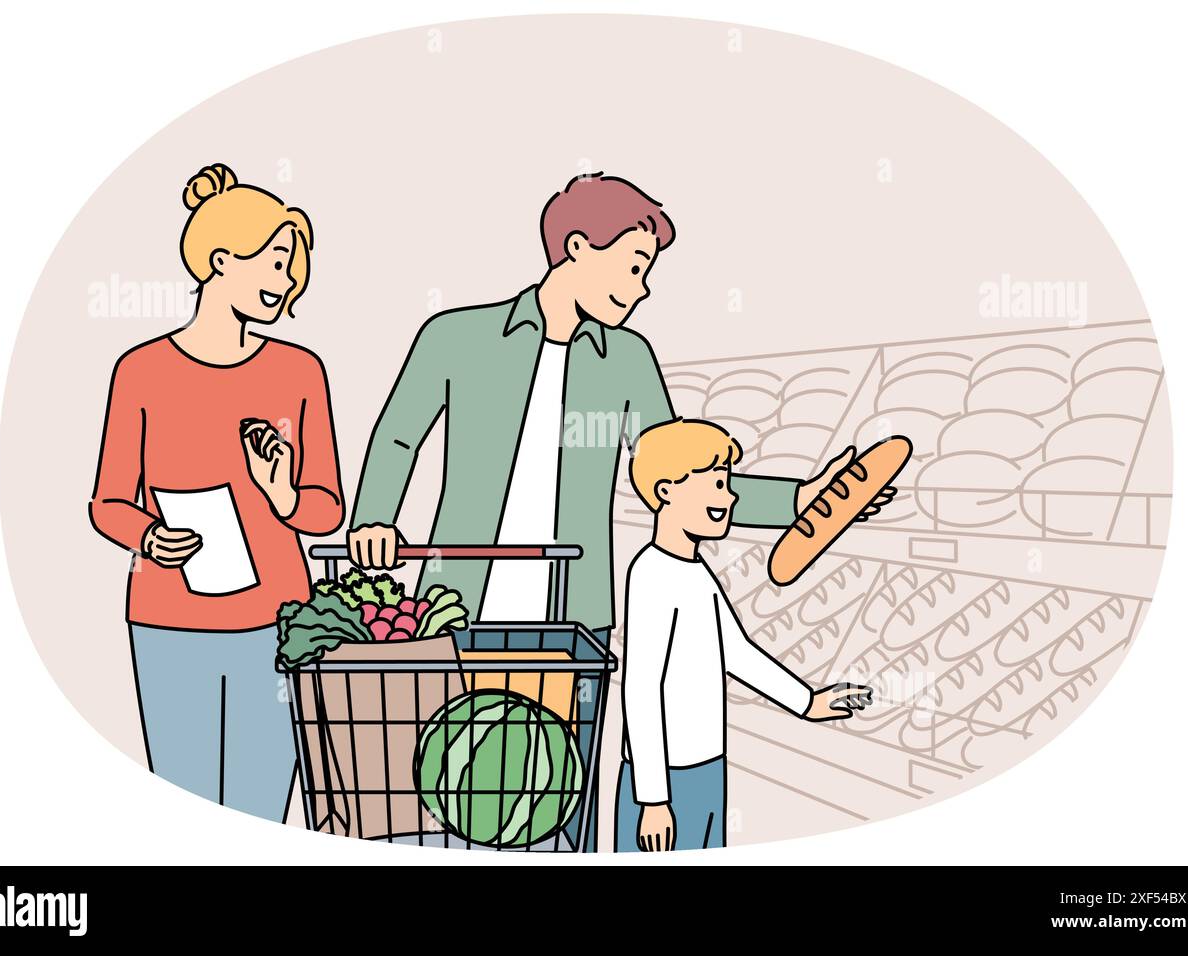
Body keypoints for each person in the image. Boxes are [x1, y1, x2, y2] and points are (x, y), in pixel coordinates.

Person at [348, 173, 891, 848]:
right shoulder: (456, 337)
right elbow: (400, 432)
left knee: (554, 804)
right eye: (634, 268)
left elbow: (684, 472)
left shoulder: (627, 361)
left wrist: (797, 503)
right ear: (576, 247)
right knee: (450, 793)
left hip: (572, 624)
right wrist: (374, 518)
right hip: (458, 608)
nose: (641, 289)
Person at [88, 164, 343, 820]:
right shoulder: (141, 371)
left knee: (261, 810)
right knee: (184, 804)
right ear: (221, 260)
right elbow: (109, 501)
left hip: (279, 622)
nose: (285, 282)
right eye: (275, 261)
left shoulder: (299, 370)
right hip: (170, 621)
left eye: (291, 268)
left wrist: (282, 496)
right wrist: (149, 536)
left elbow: (326, 508)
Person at [616, 419, 873, 851]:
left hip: (706, 767)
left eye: (728, 484)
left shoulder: (697, 573)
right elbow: (641, 688)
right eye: (716, 484)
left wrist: (807, 702)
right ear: (666, 491)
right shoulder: (651, 575)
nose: (730, 496)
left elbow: (736, 652)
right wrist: (654, 799)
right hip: (666, 779)